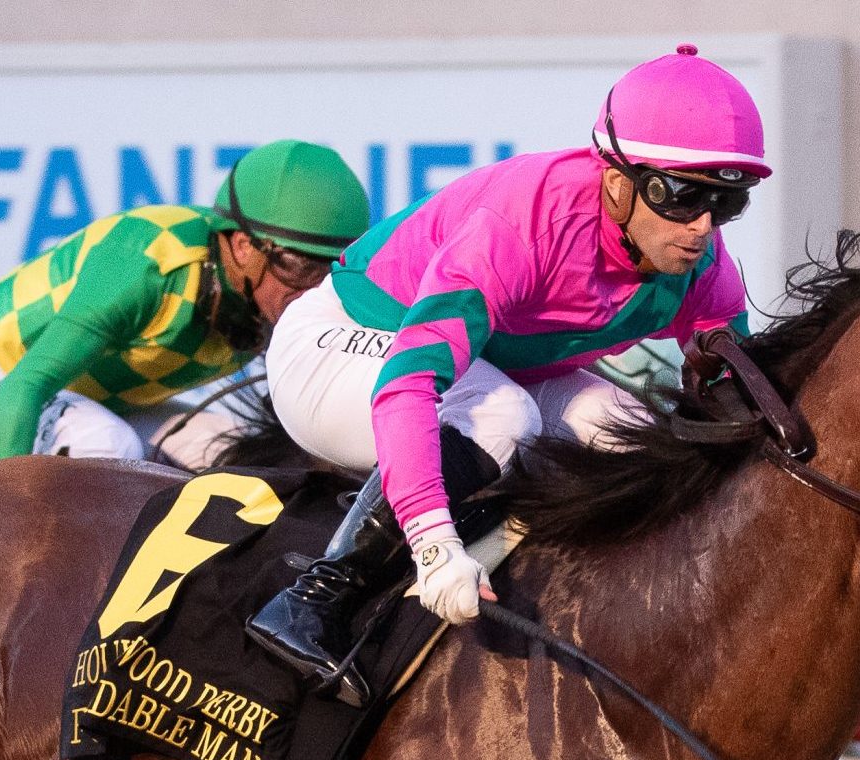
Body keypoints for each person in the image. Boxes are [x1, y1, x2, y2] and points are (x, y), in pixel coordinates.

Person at [247, 45, 770, 695]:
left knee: (626, 430)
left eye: (727, 201)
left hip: (484, 368)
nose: (701, 228)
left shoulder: (703, 267)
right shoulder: (522, 225)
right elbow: (409, 385)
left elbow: (736, 393)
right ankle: (313, 599)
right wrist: (433, 543)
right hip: (336, 348)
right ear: (616, 181)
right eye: (682, 195)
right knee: (501, 414)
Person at [0, 139, 368, 481]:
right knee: (108, 445)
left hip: (106, 405)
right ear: (243, 245)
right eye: (297, 266)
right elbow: (26, 386)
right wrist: (3, 513)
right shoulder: (148, 262)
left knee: (237, 460)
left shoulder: (280, 290)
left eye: (331, 270)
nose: (314, 289)